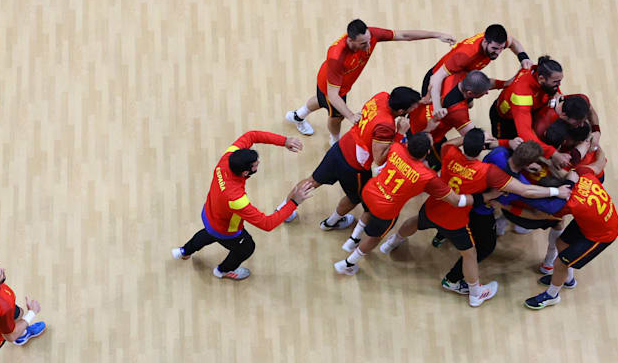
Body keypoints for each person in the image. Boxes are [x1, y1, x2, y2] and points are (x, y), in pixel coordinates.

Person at [434, 140, 571, 296]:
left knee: (448, 221)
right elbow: (536, 197)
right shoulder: (517, 183)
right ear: (529, 163)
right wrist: (559, 190)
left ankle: (440, 236)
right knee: (485, 247)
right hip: (482, 211)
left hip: (465, 197)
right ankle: (453, 278)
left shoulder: (497, 154)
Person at [172, 131, 315, 280]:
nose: (258, 162)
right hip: (225, 229)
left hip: (209, 214)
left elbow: (251, 135)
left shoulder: (226, 159)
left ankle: (184, 251)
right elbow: (267, 224)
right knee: (246, 247)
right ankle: (223, 271)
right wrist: (294, 202)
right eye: (255, 164)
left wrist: (284, 141)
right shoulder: (236, 199)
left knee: (208, 233)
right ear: (245, 172)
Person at [285, 19, 455, 142]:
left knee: (322, 101)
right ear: (350, 40)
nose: (368, 46)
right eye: (363, 44)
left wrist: (436, 34)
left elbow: (403, 35)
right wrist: (350, 115)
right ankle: (334, 140)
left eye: (369, 41)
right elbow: (332, 94)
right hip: (333, 88)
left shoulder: (371, 35)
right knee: (336, 117)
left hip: (335, 83)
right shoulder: (337, 57)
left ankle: (297, 116)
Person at [333, 133, 471, 276]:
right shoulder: (427, 176)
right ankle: (348, 264)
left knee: (368, 211)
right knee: (374, 237)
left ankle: (353, 239)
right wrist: (476, 198)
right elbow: (456, 201)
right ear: (428, 152)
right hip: (386, 209)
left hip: (370, 191)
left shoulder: (396, 148)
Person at [307, 87, 421, 232]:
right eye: (412, 108)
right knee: (355, 198)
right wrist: (399, 134)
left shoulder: (381, 96)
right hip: (355, 167)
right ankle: (330, 223)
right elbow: (379, 159)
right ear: (400, 112)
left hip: (342, 146)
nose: (414, 109)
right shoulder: (386, 126)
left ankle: (285, 207)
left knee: (312, 181)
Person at [525, 148, 618, 310]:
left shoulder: (570, 203)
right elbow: (600, 163)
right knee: (561, 243)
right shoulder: (584, 174)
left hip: (602, 235)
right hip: (595, 220)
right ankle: (566, 280)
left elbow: (538, 215)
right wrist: (596, 147)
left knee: (560, 262)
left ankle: (552, 295)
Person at [422, 24, 532, 119]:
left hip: (463, 76)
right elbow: (436, 78)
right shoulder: (465, 55)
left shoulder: (497, 42)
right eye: (494, 48)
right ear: (485, 41)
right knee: (430, 114)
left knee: (468, 105)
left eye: (501, 48)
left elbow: (512, 41)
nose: (498, 53)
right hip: (438, 81)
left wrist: (524, 57)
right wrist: (437, 107)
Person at [408, 70, 500, 170]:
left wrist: (505, 83)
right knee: (438, 162)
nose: (487, 93)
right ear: (469, 93)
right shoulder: (459, 113)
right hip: (423, 135)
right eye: (483, 92)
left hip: (415, 116)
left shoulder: (452, 77)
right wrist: (502, 142)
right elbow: (474, 137)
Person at [490, 56, 571, 167]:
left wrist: (556, 95)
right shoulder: (521, 95)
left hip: (528, 109)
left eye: (560, 81)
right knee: (508, 150)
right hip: (505, 121)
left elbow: (553, 90)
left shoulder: (537, 70)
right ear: (542, 79)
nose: (559, 86)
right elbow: (526, 136)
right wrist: (553, 154)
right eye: (556, 82)